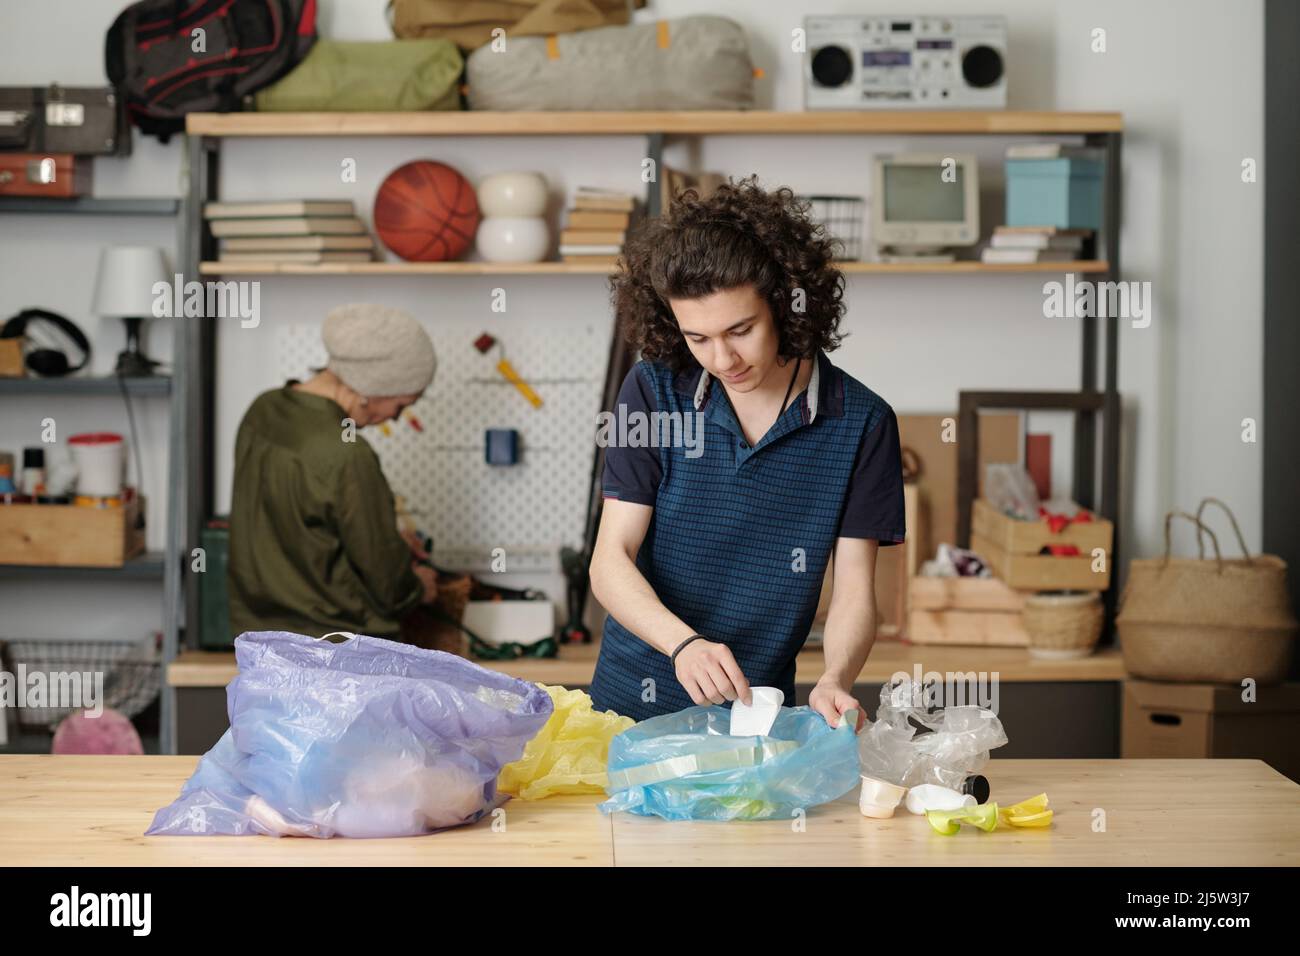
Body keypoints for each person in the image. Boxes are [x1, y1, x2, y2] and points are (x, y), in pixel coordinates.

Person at [588, 177, 906, 729]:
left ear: (785, 305)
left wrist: (835, 678)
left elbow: (855, 587)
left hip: (751, 717)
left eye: (741, 329)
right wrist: (683, 645)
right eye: (698, 338)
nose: (722, 358)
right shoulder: (652, 390)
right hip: (628, 709)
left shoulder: (862, 422)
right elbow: (610, 559)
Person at [228, 303, 439, 640]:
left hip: (260, 643)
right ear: (374, 388)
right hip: (339, 653)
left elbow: (299, 531)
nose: (396, 418)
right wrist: (418, 588)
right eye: (401, 405)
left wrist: (389, 539)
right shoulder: (348, 454)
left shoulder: (262, 411)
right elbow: (387, 583)